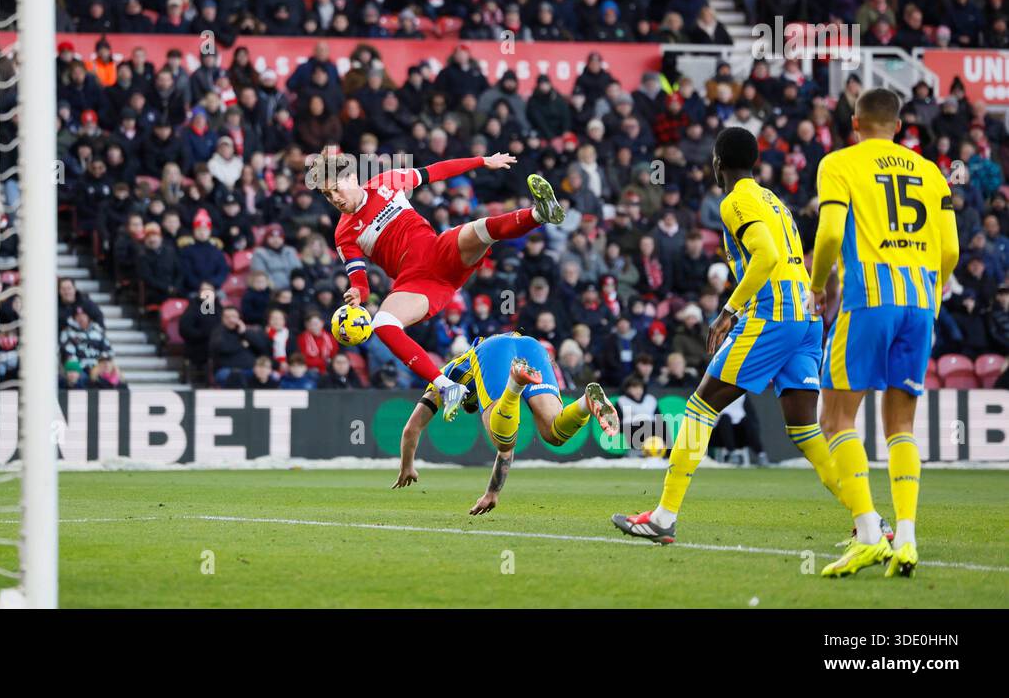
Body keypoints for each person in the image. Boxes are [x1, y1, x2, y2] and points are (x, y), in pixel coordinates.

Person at [612, 128, 839, 544]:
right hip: (808, 317)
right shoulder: (773, 199)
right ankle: (869, 520)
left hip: (773, 315)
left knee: (700, 407)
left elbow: (767, 256)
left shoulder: (736, 200)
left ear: (717, 162)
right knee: (805, 429)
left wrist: (728, 311)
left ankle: (663, 516)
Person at [809, 88, 960, 578]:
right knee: (900, 426)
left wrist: (818, 287)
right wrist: (931, 291)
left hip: (869, 301)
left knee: (834, 417)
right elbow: (952, 250)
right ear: (899, 127)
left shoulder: (840, 163)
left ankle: (870, 535)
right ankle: (908, 539)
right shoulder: (932, 172)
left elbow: (830, 234)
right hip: (919, 305)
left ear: (855, 123)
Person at [318, 149, 566, 421]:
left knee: (481, 229)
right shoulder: (343, 234)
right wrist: (357, 292)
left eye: (336, 189)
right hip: (416, 283)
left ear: (352, 177)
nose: (335, 199)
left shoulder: (386, 182)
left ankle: (540, 214)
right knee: (383, 323)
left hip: (439, 251)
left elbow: (436, 171)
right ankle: (448, 387)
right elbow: (359, 279)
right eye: (328, 195)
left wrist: (482, 161)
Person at [394, 332, 619, 514]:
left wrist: (407, 467)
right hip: (531, 345)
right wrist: (493, 492)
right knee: (554, 433)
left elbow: (411, 428)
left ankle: (515, 383)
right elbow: (506, 451)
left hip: (492, 350)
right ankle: (585, 402)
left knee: (501, 437)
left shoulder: (443, 378)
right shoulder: (481, 393)